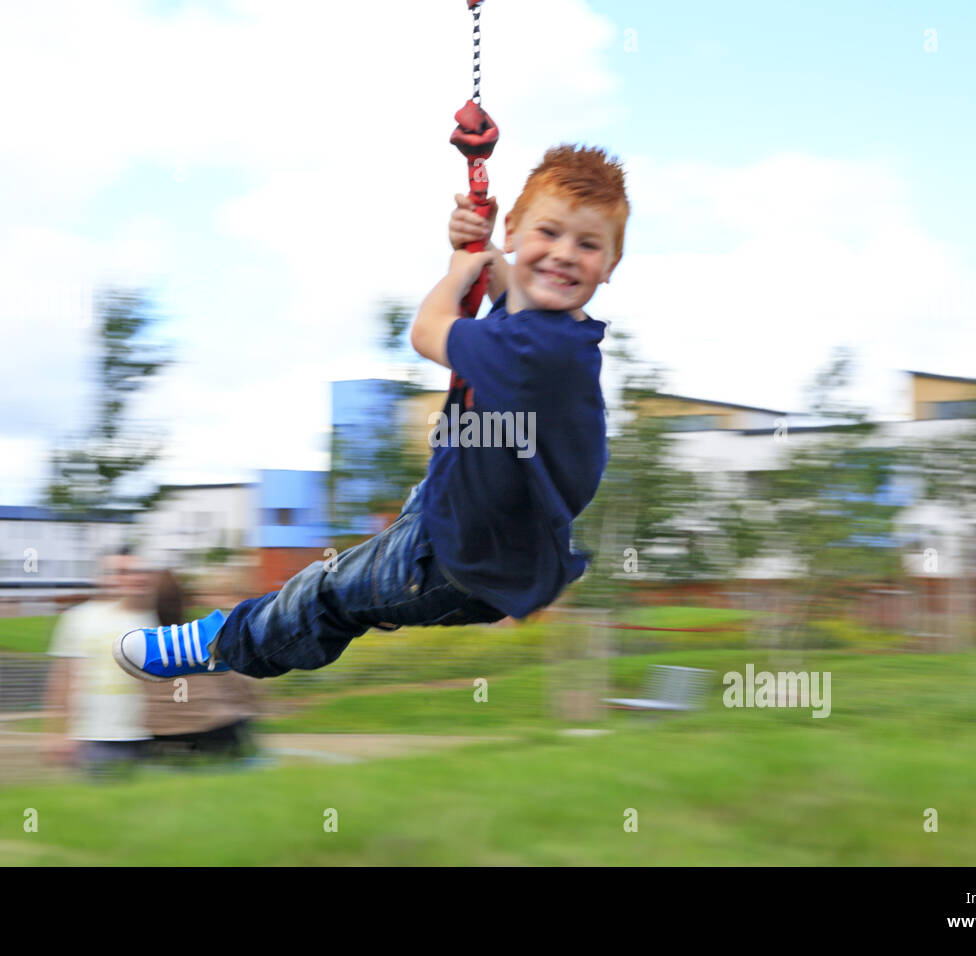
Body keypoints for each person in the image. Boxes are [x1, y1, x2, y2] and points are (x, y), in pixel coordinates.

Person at [114, 144, 629, 683]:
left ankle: (221, 642)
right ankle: (355, 602)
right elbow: (516, 292)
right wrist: (480, 244)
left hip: (462, 561)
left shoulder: (538, 350)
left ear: (610, 264)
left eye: (587, 244)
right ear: (516, 233)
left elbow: (428, 330)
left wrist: (461, 268)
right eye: (549, 234)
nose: (565, 254)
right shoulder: (554, 328)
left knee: (328, 592)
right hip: (451, 514)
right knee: (360, 571)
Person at [44, 546, 155, 775]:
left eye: (136, 571)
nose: (133, 577)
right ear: (102, 577)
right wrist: (55, 732)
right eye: (122, 572)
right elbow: (63, 678)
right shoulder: (78, 619)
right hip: (94, 737)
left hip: (146, 734)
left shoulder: (151, 618)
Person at [142, 569, 259, 760]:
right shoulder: (207, 637)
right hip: (215, 733)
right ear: (186, 603)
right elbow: (243, 689)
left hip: (160, 738)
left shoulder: (141, 646)